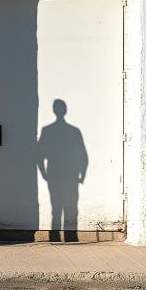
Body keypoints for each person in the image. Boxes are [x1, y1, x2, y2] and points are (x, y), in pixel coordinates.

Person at [37, 99, 88, 242]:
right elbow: (83, 156)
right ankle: (71, 236)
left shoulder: (47, 131)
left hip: (54, 174)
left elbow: (39, 156)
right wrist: (81, 176)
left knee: (56, 207)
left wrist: (44, 174)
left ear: (54, 110)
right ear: (65, 111)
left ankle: (55, 237)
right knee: (71, 207)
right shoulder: (74, 131)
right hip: (70, 175)